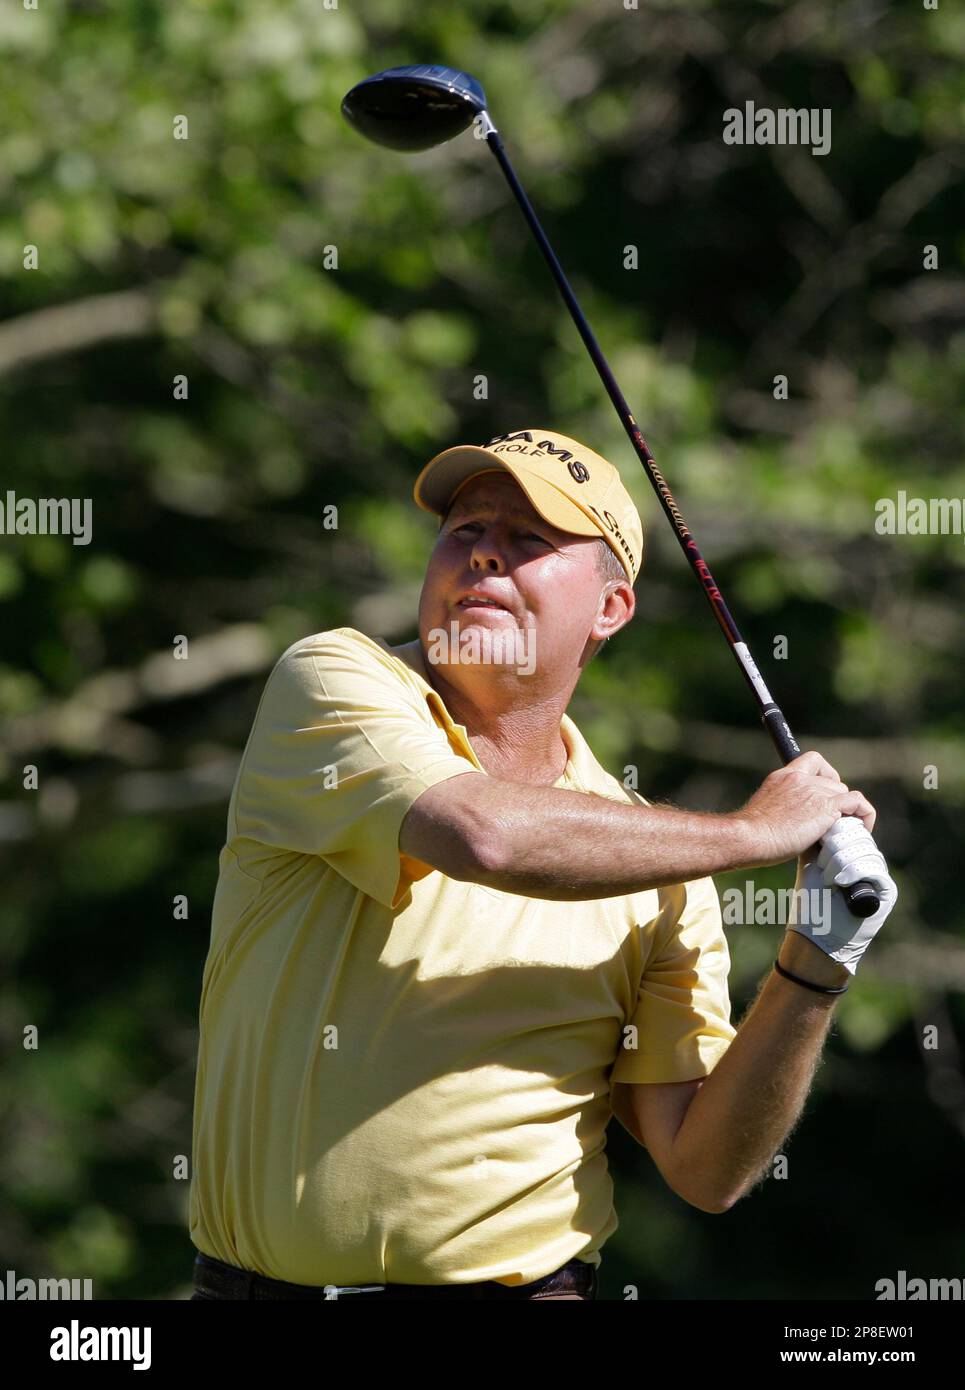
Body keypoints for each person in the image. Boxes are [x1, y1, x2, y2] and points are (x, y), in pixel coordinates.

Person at [187, 427, 897, 1301]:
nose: (484, 550)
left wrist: (815, 966)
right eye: (464, 530)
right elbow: (484, 836)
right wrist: (754, 834)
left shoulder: (660, 866)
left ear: (609, 610)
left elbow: (703, 1167)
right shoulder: (335, 681)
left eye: (529, 539)